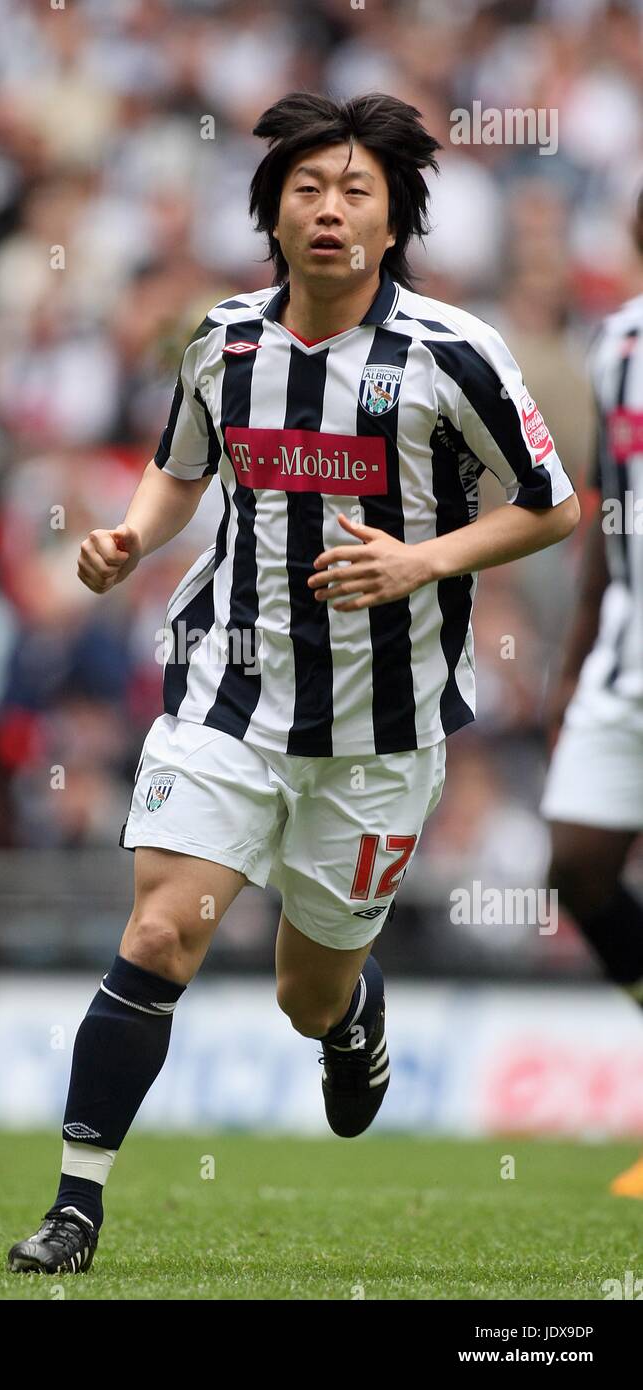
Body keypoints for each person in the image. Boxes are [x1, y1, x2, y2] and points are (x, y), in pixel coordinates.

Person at [8, 90, 580, 1276]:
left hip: (380, 731)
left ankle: (350, 1016)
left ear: (391, 221)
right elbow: (179, 471)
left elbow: (553, 504)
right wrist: (128, 536)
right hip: (228, 690)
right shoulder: (223, 340)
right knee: (161, 931)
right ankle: (74, 1205)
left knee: (304, 995)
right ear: (270, 210)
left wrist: (420, 557)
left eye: (354, 192)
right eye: (306, 190)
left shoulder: (452, 353)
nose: (327, 210)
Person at [542, 187, 643, 1200]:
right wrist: (571, 660)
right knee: (573, 865)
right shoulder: (614, 348)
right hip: (624, 657)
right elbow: (600, 507)